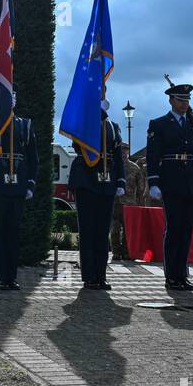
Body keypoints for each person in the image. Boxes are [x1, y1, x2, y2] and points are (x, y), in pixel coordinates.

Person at [146, 82, 193, 291]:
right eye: (180, 100)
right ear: (171, 100)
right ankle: (171, 276)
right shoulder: (159, 124)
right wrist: (153, 181)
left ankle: (182, 275)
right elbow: (152, 155)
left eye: (187, 100)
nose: (184, 104)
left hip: (192, 181)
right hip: (171, 179)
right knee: (174, 228)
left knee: (186, 230)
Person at [69, 106, 126, 290]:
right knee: (88, 230)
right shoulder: (83, 120)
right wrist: (95, 115)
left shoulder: (113, 125)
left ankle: (101, 275)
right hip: (86, 177)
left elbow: (117, 155)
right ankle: (89, 276)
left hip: (107, 178)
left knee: (103, 231)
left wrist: (121, 181)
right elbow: (78, 145)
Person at [0, 113, 38, 290]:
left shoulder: (25, 124)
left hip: (18, 184)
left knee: (13, 232)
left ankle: (11, 277)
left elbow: (32, 157)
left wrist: (30, 184)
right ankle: (0, 276)